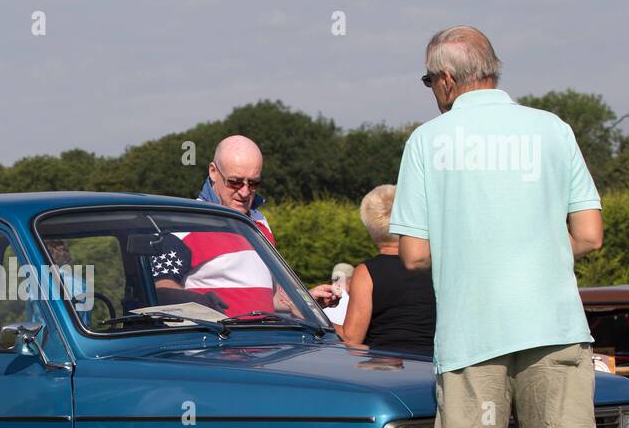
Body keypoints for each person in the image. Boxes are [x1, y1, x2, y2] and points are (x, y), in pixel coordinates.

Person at [390, 26, 607, 428]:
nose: (431, 92)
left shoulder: (428, 142)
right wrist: (534, 253)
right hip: (552, 324)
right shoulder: (553, 129)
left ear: (449, 80)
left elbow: (411, 253)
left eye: (430, 82)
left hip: (471, 332)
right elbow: (589, 234)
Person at [153, 136, 339, 312]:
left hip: (263, 341)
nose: (244, 192)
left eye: (253, 184)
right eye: (235, 182)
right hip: (213, 343)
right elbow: (162, 291)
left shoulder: (259, 222)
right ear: (213, 172)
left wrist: (306, 300)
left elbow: (268, 295)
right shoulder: (184, 224)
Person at [335, 185, 436, 357]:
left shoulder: (366, 273)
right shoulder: (436, 266)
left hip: (387, 369)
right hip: (434, 367)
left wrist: (307, 313)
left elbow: (351, 339)